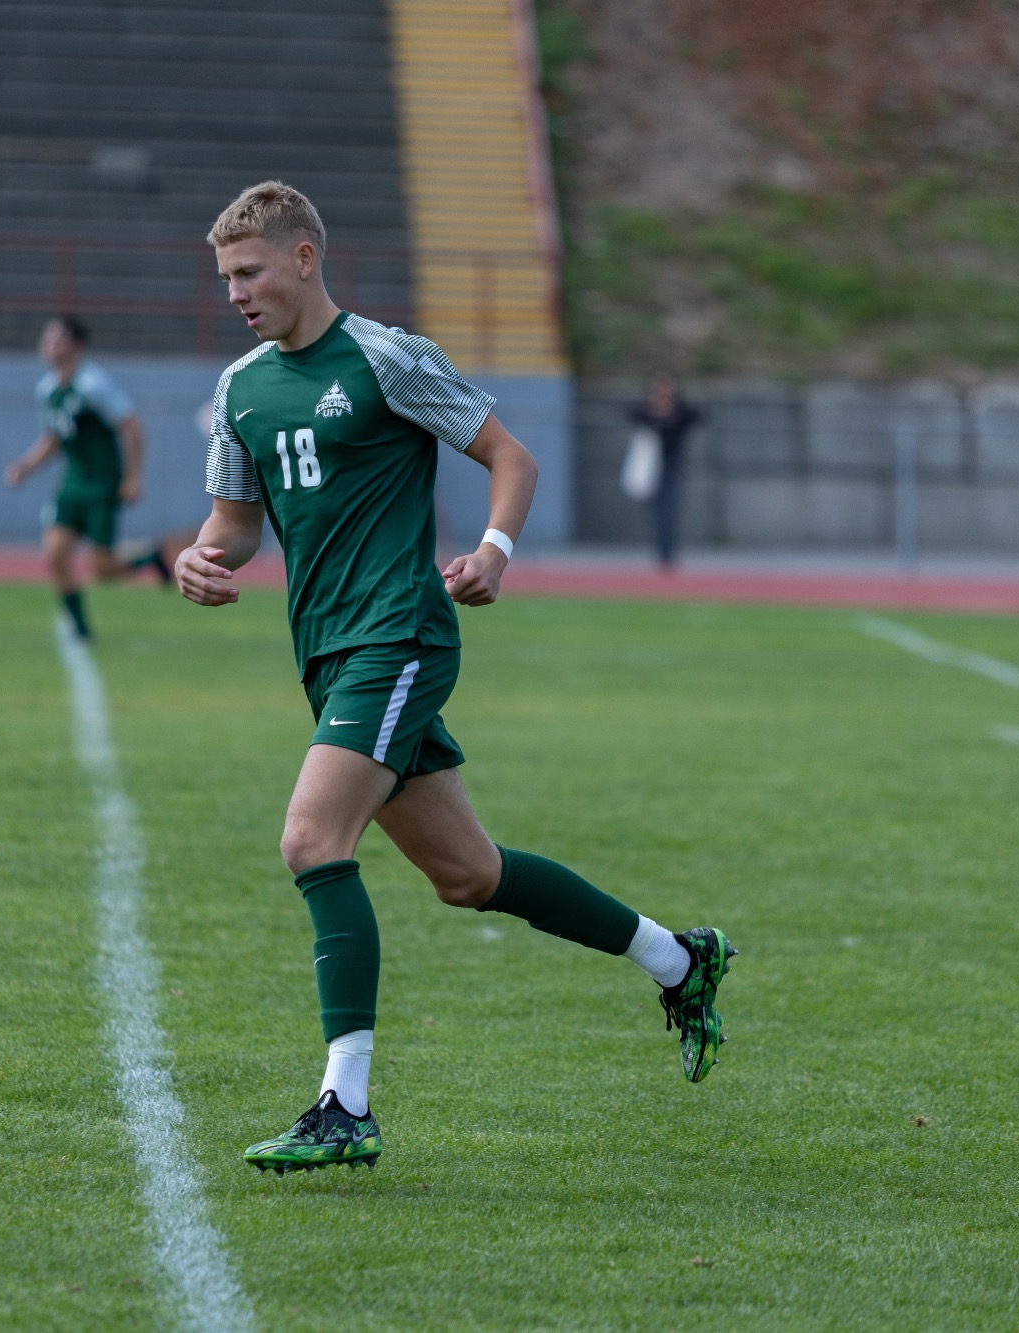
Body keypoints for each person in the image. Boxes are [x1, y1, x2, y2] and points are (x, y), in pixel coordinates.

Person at [174, 180, 736, 1173]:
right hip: (326, 648)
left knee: (311, 839)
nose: (234, 293)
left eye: (249, 272)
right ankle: (677, 958)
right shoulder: (240, 390)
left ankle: (342, 1105)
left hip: (398, 637)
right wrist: (200, 557)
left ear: (305, 259)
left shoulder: (386, 358)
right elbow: (235, 522)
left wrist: (492, 550)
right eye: (224, 277)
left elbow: (506, 455)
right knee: (466, 875)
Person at [3, 315, 167, 638]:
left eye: (57, 339)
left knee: (103, 570)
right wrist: (26, 466)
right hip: (72, 482)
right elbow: (54, 437)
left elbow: (131, 426)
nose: (48, 345)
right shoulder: (47, 389)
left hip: (102, 483)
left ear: (76, 346)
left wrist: (132, 477)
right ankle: (80, 629)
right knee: (54, 554)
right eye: (46, 338)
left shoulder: (93, 384)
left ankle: (149, 558)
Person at [628, 374, 700, 569]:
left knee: (670, 508)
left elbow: (696, 415)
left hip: (671, 464)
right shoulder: (648, 414)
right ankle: (662, 551)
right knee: (657, 510)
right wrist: (655, 411)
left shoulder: (680, 414)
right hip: (651, 466)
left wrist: (671, 412)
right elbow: (631, 413)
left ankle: (667, 553)